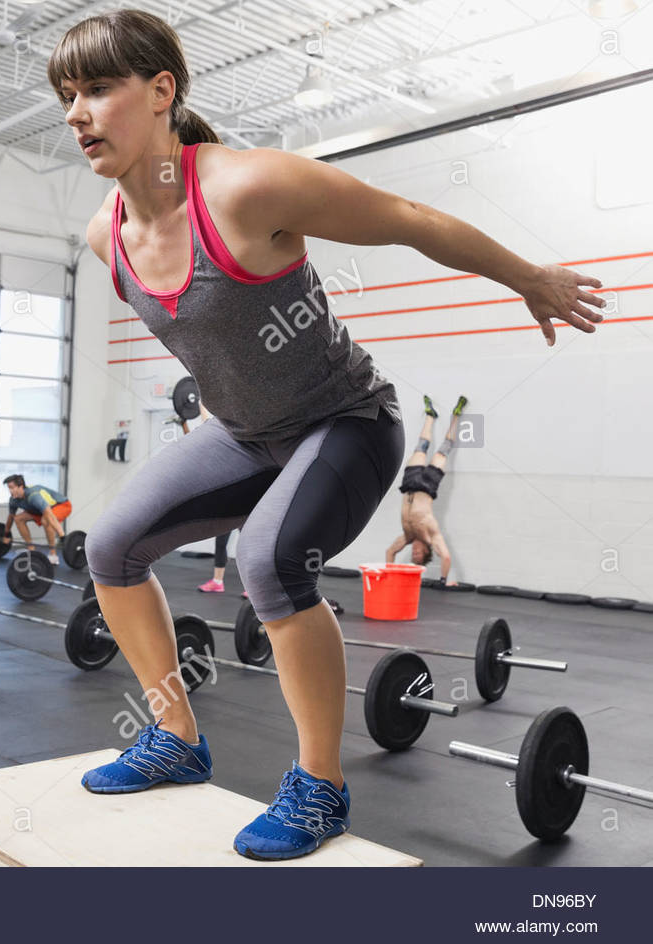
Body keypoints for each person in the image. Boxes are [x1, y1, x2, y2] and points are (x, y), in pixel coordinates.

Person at [50, 9, 604, 860]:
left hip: (347, 422)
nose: (76, 112)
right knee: (112, 545)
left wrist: (530, 277)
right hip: (243, 434)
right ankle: (174, 738)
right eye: (65, 95)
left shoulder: (246, 187)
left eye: (97, 88)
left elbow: (411, 217)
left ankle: (319, 789)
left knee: (269, 560)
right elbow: (219, 345)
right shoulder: (105, 238)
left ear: (162, 92)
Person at [386, 395, 467, 585]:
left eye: (413, 555)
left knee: (421, 446)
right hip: (428, 485)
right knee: (444, 449)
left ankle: (430, 416)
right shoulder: (432, 537)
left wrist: (388, 576)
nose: (414, 552)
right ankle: (456, 415)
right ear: (426, 551)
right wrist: (444, 580)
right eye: (418, 554)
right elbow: (446, 558)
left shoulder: (408, 536)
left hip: (410, 483)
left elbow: (390, 552)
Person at [172, 408, 241, 595]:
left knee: (248, 546)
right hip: (229, 503)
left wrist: (202, 399)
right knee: (221, 543)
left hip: (248, 501)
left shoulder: (240, 443)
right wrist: (185, 421)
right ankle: (218, 581)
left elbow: (207, 420)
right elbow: (197, 438)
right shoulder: (216, 446)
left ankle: (254, 588)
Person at [2, 474, 72, 565]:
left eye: (12, 487)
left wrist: (62, 536)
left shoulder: (34, 496)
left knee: (46, 520)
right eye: (8, 488)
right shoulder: (13, 500)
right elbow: (11, 517)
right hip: (39, 511)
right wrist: (6, 534)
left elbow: (49, 514)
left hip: (61, 505)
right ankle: (31, 549)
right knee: (18, 519)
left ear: (21, 487)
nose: (10, 491)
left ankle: (53, 555)